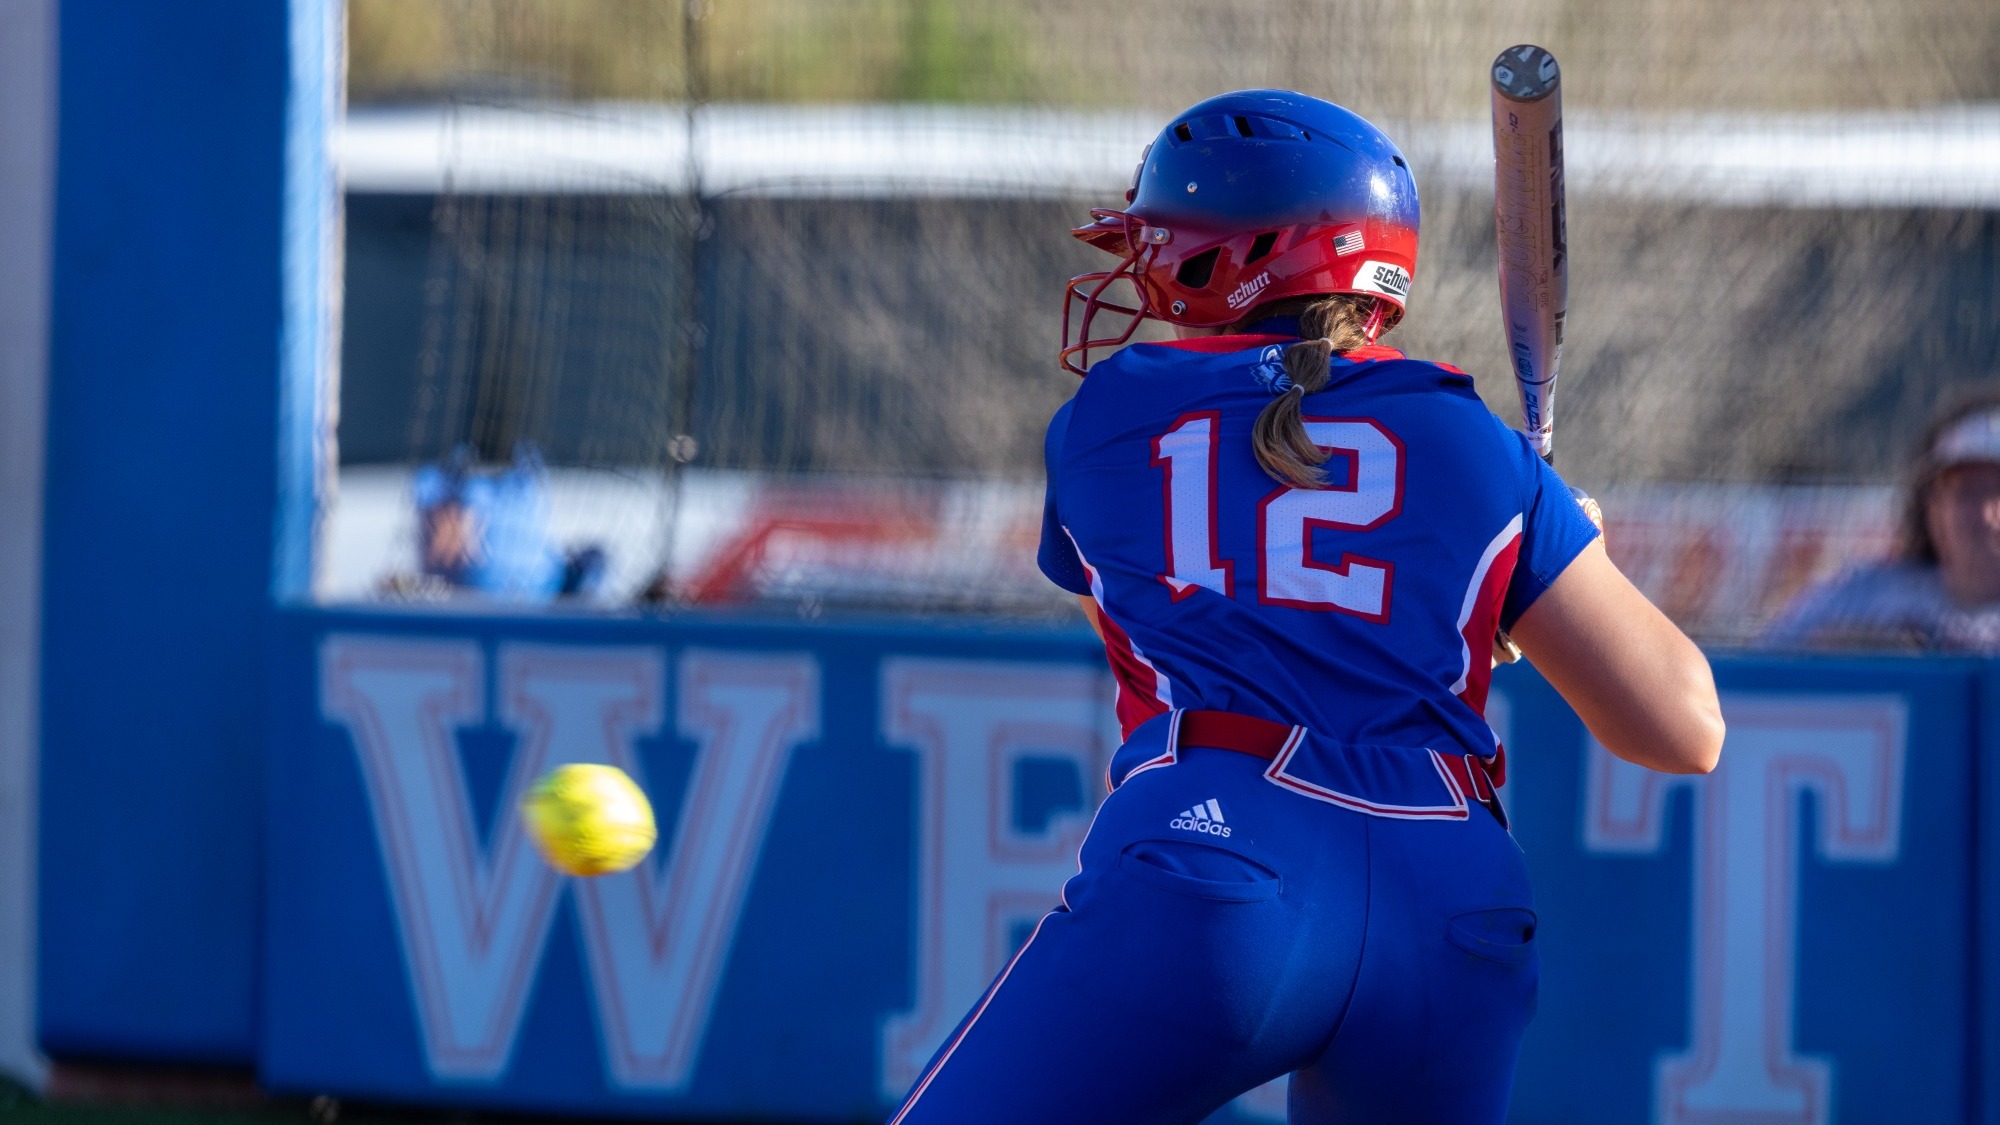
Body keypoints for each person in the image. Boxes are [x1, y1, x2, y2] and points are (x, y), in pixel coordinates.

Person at [887, 91, 1723, 1125]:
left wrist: (1464, 595)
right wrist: (1523, 562)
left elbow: (1228, 570)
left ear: (1242, 258)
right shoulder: (1472, 443)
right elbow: (1682, 729)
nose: (1144, 267)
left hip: (1219, 864)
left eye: (1169, 241)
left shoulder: (1104, 418)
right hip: (1454, 895)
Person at [1763, 396, 2000, 651]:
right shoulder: (1862, 595)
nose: (1987, 514)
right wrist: (1842, 653)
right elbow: (1764, 663)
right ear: (1932, 509)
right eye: (1967, 493)